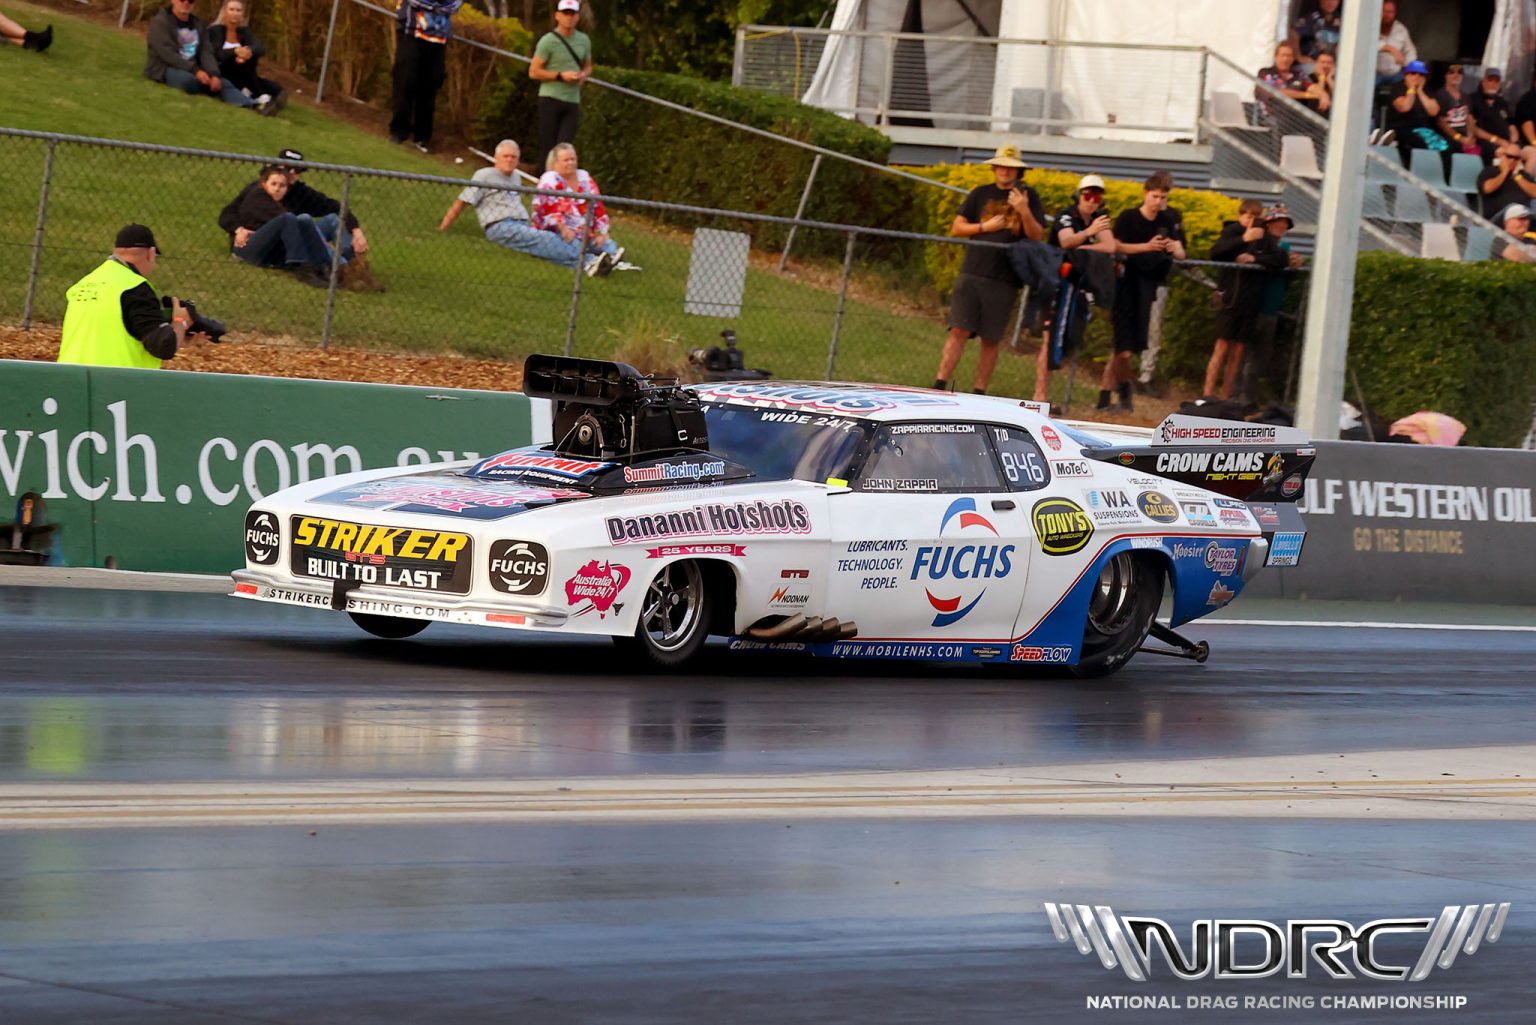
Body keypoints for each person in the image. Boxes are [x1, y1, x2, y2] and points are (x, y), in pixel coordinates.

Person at [932, 144, 1044, 396]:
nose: (1005, 171)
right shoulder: (980, 193)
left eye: (1011, 167)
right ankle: (940, 384)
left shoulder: (1029, 196)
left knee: (991, 338)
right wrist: (984, 227)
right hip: (972, 271)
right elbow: (957, 227)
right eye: (1001, 166)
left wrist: (1024, 210)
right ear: (994, 168)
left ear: (1019, 171)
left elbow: (1036, 235)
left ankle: (979, 391)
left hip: (1005, 279)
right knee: (959, 329)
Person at [440, 139, 606, 274]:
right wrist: (443, 228)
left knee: (543, 249)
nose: (509, 160)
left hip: (521, 224)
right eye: (505, 156)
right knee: (547, 239)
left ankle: (587, 267)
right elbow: (462, 201)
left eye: (513, 157)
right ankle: (590, 259)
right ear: (496, 157)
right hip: (500, 225)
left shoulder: (515, 178)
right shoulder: (484, 175)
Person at [58, 224, 204, 369]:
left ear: (116, 251)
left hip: (70, 377)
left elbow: (104, 333)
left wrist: (179, 337)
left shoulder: (83, 284)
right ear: (150, 253)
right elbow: (164, 347)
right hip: (117, 379)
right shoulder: (135, 288)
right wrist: (180, 322)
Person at [1103, 171, 1183, 411]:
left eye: (1163, 197)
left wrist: (1174, 247)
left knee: (1128, 347)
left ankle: (1106, 394)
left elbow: (1181, 253)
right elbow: (1115, 245)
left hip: (1149, 287)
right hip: (1125, 283)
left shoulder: (1168, 220)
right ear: (1145, 194)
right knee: (1123, 348)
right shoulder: (1129, 217)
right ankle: (1123, 392)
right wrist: (1146, 247)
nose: (1158, 201)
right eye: (1154, 196)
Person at [1037, 174, 1116, 403]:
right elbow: (1066, 241)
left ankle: (1048, 397)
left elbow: (1109, 246)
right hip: (1055, 284)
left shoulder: (1098, 217)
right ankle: (1039, 397)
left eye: (1096, 198)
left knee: (1067, 340)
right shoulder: (1067, 215)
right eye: (1087, 196)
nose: (1091, 202)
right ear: (1078, 196)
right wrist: (1089, 234)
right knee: (1049, 340)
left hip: (1077, 286)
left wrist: (1083, 248)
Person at [1204, 199, 1287, 400]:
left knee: (1238, 350)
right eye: (1248, 217)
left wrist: (1255, 259)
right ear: (1241, 215)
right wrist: (1243, 239)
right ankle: (1207, 394)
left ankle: (1225, 396)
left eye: (1256, 217)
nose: (1252, 221)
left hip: (1250, 301)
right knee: (1221, 346)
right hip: (1229, 298)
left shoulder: (1264, 236)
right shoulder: (1231, 231)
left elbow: (1280, 259)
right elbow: (1216, 252)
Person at [218, 165, 341, 286]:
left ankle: (325, 267)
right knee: (289, 219)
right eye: (273, 184)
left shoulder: (280, 202)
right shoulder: (258, 196)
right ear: (264, 184)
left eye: (282, 186)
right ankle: (302, 268)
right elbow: (287, 222)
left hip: (270, 252)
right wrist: (239, 230)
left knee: (305, 219)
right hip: (246, 248)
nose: (277, 189)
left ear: (287, 189)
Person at [1237, 206, 1301, 403]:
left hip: (1271, 308)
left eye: (1284, 224)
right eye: (1276, 222)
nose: (1281, 226)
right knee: (1244, 353)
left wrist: (1294, 266)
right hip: (1252, 305)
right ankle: (1237, 397)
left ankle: (1248, 399)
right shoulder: (1257, 242)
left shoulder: (1286, 248)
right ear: (1268, 224)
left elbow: (1284, 270)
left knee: (1260, 356)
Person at [533, 142, 625, 276]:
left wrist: (601, 232)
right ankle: (594, 262)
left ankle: (613, 258)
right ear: (555, 163)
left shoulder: (584, 177)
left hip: (585, 233)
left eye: (573, 159)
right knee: (572, 246)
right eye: (566, 160)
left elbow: (597, 205)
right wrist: (563, 228)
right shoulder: (550, 179)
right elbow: (548, 209)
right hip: (560, 232)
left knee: (608, 244)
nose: (571, 163)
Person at [144, 0, 255, 109]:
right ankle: (208, 88)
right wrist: (196, 71)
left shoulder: (198, 24)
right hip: (167, 67)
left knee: (222, 82)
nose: (186, 3)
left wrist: (214, 74)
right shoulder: (161, 22)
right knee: (188, 81)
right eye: (182, 0)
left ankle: (248, 103)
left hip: (194, 68)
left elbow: (206, 52)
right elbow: (167, 54)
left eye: (191, 1)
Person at [389, 0, 462, 152]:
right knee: (405, 81)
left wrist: (439, 7)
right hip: (411, 31)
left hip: (438, 37)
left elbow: (455, 4)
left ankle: (422, 137)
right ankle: (399, 130)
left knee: (430, 86)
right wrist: (432, 6)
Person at [530, 0, 593, 165]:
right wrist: (560, 76)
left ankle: (561, 179)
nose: (569, 18)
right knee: (548, 146)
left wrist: (583, 75)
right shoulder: (548, 41)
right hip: (550, 98)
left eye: (572, 14)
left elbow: (588, 65)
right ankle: (545, 178)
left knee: (565, 147)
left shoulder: (584, 40)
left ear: (577, 17)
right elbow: (534, 71)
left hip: (572, 100)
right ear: (557, 16)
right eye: (565, 13)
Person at [206, 0, 284, 115]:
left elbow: (259, 48)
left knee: (274, 87)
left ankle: (260, 93)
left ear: (242, 14)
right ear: (224, 11)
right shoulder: (214, 31)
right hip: (223, 71)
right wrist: (236, 51)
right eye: (231, 9)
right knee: (239, 61)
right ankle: (258, 95)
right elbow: (217, 54)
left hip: (245, 71)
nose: (235, 13)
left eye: (238, 10)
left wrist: (248, 51)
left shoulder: (245, 32)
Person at [1387, 60, 1442, 168]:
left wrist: (1420, 91)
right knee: (1419, 144)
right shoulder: (1398, 87)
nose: (1417, 77)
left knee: (1447, 147)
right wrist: (1411, 89)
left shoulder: (1427, 90)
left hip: (1423, 128)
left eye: (1421, 74)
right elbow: (1404, 107)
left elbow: (1433, 111)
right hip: (1401, 127)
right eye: (1413, 73)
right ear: (1406, 75)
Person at [1475, 142, 1536, 220]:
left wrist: (1516, 176)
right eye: (1509, 156)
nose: (1512, 160)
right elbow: (1487, 189)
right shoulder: (1489, 171)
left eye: (1516, 158)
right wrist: (1504, 172)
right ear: (1502, 156)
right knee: (1513, 208)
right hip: (1498, 217)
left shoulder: (1522, 176)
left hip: (1523, 216)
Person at [1470, 68, 1518, 163]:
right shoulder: (1473, 100)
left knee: (1531, 153)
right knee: (1505, 154)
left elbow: (1511, 125)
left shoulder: (1502, 102)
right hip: (1486, 142)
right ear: (1483, 82)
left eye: (1496, 81)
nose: (1493, 84)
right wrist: (1497, 140)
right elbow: (1473, 128)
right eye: (1490, 80)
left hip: (1507, 142)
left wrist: (1513, 141)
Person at [1257, 42, 1311, 124]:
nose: (1286, 59)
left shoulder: (1299, 75)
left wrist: (1322, 94)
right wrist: (1308, 95)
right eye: (1283, 55)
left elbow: (1312, 87)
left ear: (1293, 58)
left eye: (1289, 55)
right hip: (1270, 119)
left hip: (1295, 120)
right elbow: (1279, 92)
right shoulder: (1266, 73)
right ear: (1276, 57)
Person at [1289, 0, 1341, 69]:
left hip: (1331, 64)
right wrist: (1299, 57)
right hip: (1312, 63)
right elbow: (1294, 33)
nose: (1331, 2)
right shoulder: (1312, 18)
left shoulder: (1342, 19)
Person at [1436, 64, 1474, 155]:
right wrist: (1460, 138)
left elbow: (1469, 118)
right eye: (1452, 72)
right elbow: (1441, 123)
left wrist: (1470, 137)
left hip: (1465, 137)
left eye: (1459, 72)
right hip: (1448, 137)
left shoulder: (1466, 96)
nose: (1456, 75)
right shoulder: (1440, 95)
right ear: (1446, 76)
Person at [1376, 0, 1415, 85]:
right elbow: (1370, 44)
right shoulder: (1372, 25)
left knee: (1408, 85)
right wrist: (1391, 49)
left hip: (1396, 74)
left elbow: (1410, 50)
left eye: (1390, 12)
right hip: (1375, 74)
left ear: (1395, 14)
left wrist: (1409, 68)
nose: (1386, 15)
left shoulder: (1400, 29)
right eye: (1384, 11)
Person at [1301, 50, 1335, 118]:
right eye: (1323, 62)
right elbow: (1318, 95)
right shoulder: (1308, 78)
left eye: (1329, 63)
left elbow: (1340, 98)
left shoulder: (1337, 80)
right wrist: (1322, 77)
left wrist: (1329, 79)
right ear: (1317, 63)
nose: (1325, 65)